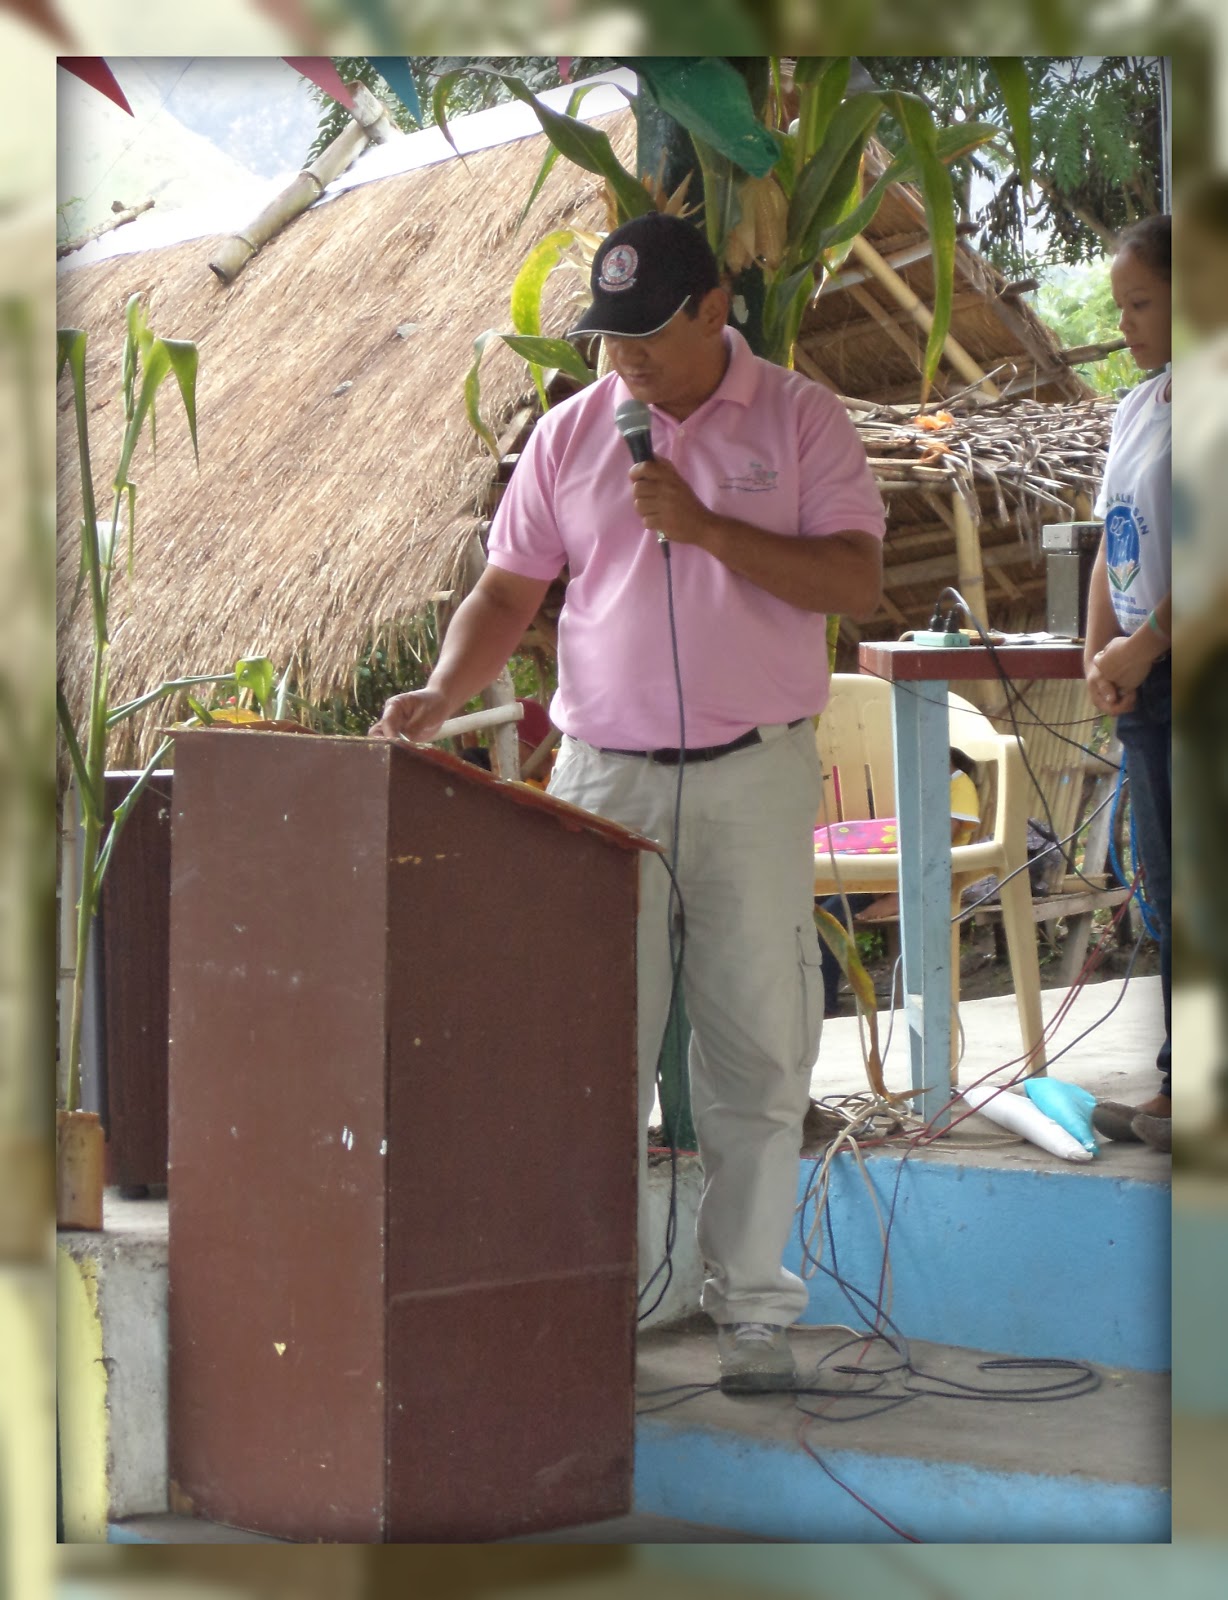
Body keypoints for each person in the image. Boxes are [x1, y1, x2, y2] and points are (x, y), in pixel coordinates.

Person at [370, 211, 885, 1390]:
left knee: (757, 1045)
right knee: (591, 1045)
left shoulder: (802, 419)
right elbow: (509, 592)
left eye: (649, 333)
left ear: (714, 309)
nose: (625, 361)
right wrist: (446, 692)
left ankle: (750, 1307)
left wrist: (706, 528)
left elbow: (852, 578)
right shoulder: (566, 438)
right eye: (608, 338)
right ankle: (596, 1299)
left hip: (753, 770)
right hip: (601, 779)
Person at [1083, 214, 1172, 1155]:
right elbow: (1115, 537)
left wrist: (1146, 648)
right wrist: (1097, 648)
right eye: (1121, 307)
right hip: (1145, 672)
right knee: (1172, 891)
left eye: (1141, 303)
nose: (1126, 324)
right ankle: (1180, 1085)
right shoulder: (1139, 404)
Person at [815, 750, 980, 1016]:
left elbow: (939, 841)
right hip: (893, 873)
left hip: (927, 877)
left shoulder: (959, 784)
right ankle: (822, 1002)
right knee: (821, 913)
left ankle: (896, 898)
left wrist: (895, 887)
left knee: (831, 915)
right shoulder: (929, 786)